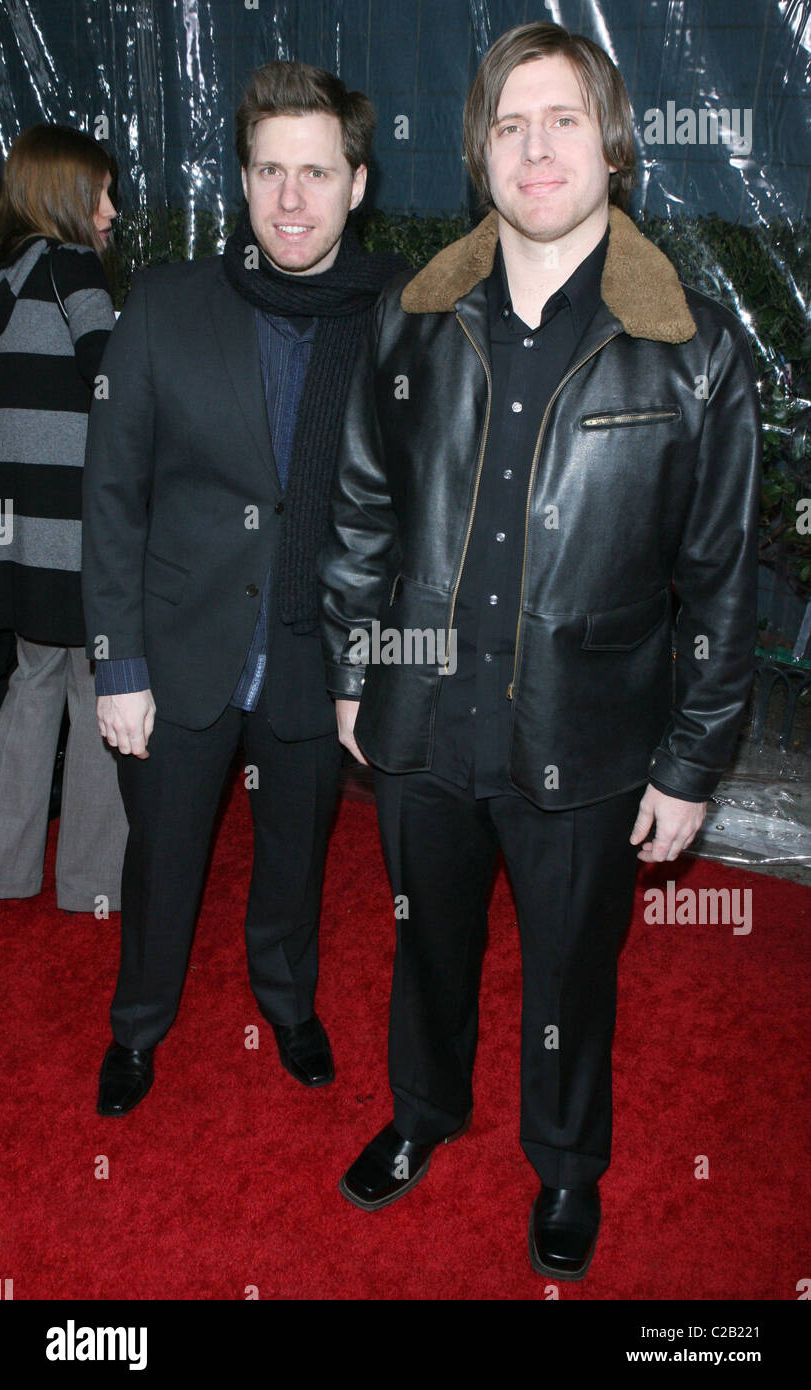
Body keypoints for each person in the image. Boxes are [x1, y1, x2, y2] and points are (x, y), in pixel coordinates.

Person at [318, 21, 761, 1279]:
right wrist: (357, 668)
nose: (533, 145)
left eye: (561, 118)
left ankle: (565, 1168)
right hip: (420, 722)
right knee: (423, 941)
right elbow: (357, 508)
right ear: (478, 154)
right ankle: (422, 1114)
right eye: (507, 123)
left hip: (589, 733)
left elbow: (722, 579)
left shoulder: (691, 346)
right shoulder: (413, 321)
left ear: (611, 145)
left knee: (572, 973)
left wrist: (688, 763)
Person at [81, 61, 403, 1117]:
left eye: (315, 172)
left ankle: (288, 1003)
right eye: (270, 170)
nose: (290, 199)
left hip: (315, 652)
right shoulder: (168, 304)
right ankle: (138, 1025)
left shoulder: (396, 317)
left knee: (295, 865)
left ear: (356, 183)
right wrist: (118, 663)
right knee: (161, 862)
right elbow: (114, 496)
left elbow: (408, 509)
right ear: (244, 175)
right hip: (178, 649)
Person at [0, 124, 127, 913]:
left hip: (14, 536)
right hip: (75, 533)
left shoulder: (8, 274)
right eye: (100, 193)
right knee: (102, 696)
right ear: (64, 196)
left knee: (30, 686)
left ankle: (7, 871)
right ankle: (90, 885)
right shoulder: (73, 266)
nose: (110, 210)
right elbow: (108, 373)